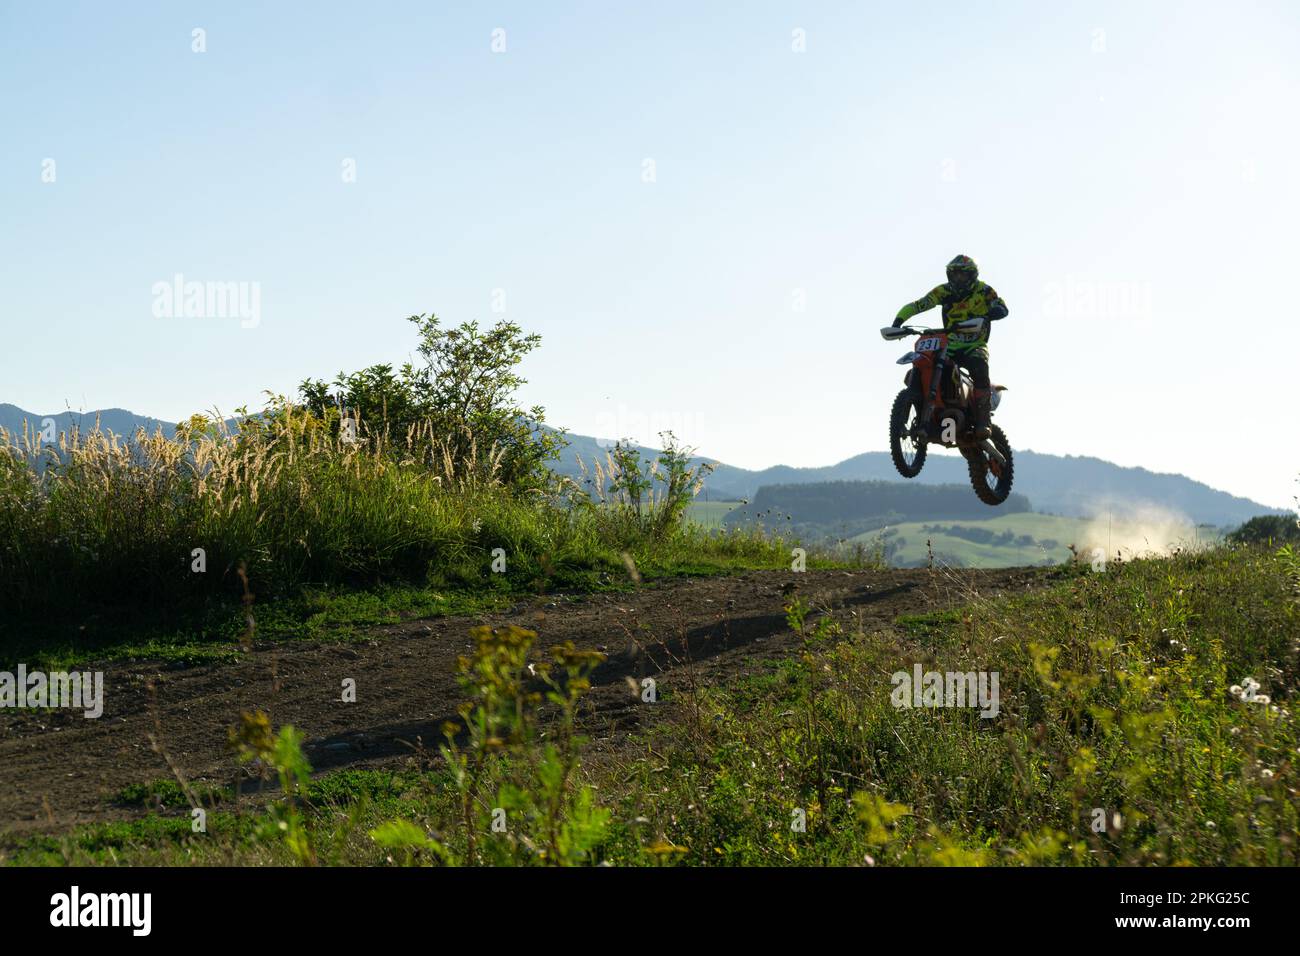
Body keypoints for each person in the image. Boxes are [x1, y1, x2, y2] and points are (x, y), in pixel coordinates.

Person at [892, 254, 1008, 439]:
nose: (958, 279)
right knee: (925, 364)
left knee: (979, 367)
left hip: (974, 344)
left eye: (962, 275)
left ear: (972, 275)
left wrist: (991, 313)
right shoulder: (943, 292)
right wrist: (897, 323)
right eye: (954, 275)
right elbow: (919, 305)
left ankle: (982, 421)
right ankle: (925, 412)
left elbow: (1002, 307)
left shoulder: (984, 290)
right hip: (949, 343)